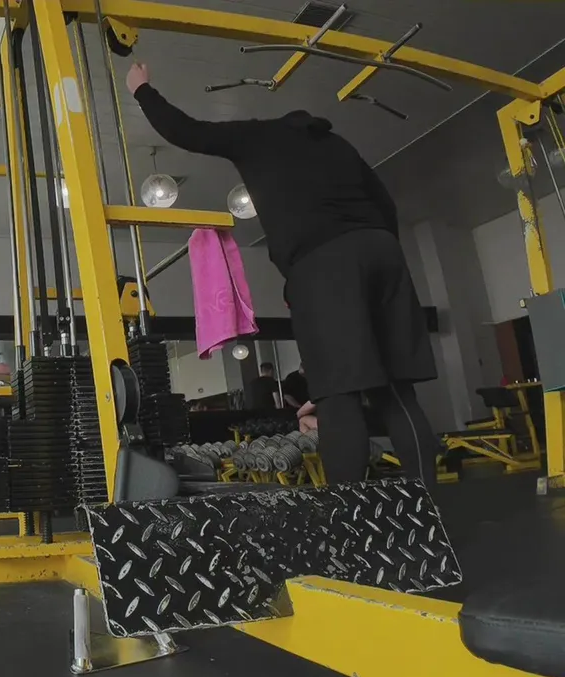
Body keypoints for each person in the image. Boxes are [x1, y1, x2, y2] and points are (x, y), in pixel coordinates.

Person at [127, 63, 438, 487]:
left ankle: (347, 516)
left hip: (324, 264)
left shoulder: (259, 135)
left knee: (338, 397)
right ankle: (430, 508)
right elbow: (386, 205)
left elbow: (186, 131)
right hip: (383, 251)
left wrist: (142, 89)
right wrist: (379, 255)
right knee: (398, 392)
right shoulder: (338, 145)